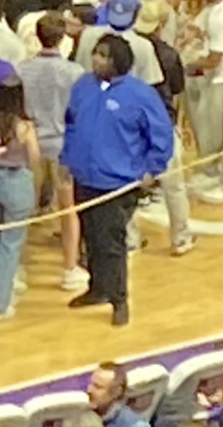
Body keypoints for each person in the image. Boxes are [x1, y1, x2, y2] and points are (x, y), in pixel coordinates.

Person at [62, 35, 174, 326]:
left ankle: (119, 300)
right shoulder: (83, 86)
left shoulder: (140, 95)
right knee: (91, 238)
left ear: (119, 62)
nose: (96, 59)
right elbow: (72, 124)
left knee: (111, 243)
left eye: (104, 55)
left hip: (118, 183)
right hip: (84, 177)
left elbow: (161, 135)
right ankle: (97, 288)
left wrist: (153, 168)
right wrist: (67, 159)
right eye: (96, 53)